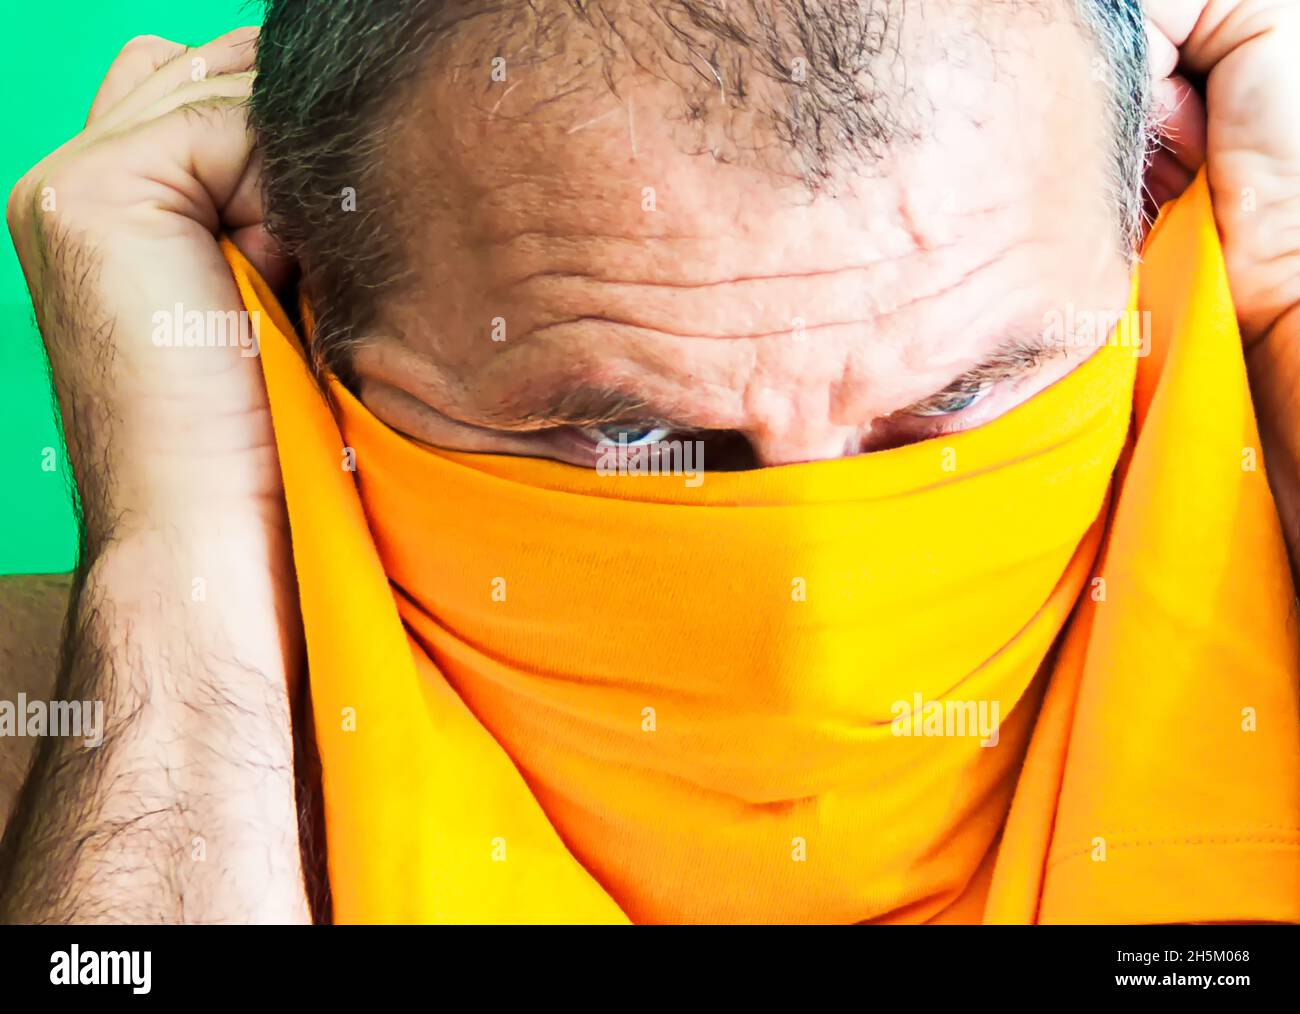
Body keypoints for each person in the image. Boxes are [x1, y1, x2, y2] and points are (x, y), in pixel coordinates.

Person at [0, 0, 1297, 924]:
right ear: (298, 308)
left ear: (1155, 211)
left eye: (968, 399)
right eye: (633, 441)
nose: (821, 629)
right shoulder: (65, 749)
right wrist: (173, 581)